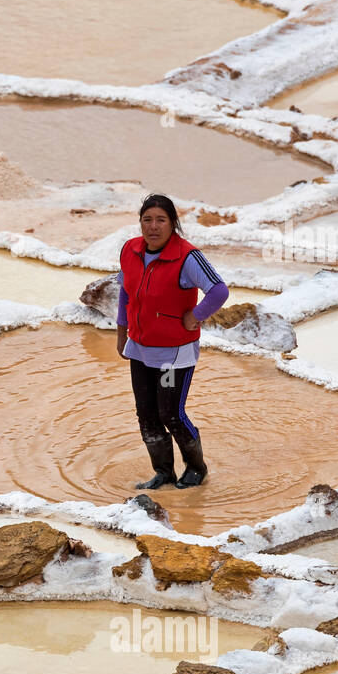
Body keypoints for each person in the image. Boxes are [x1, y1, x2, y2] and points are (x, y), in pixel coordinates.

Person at [113, 193, 228, 490]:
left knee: (170, 414)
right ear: (140, 223)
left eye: (161, 220)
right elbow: (125, 291)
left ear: (173, 223)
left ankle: (196, 468)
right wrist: (122, 331)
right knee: (147, 414)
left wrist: (196, 315)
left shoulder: (187, 257)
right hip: (140, 349)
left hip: (171, 355)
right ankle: (163, 472)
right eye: (147, 220)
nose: (153, 226)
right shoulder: (130, 250)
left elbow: (218, 291)